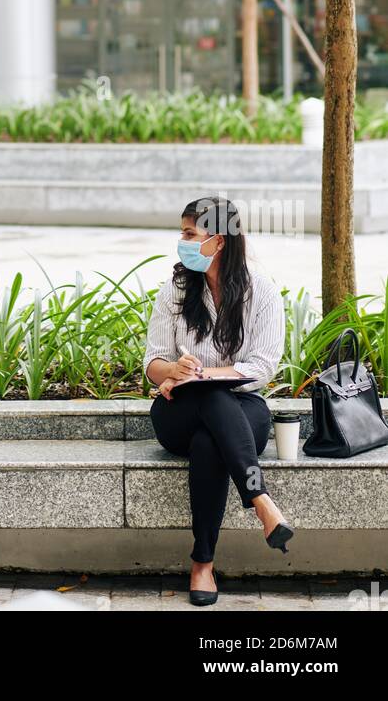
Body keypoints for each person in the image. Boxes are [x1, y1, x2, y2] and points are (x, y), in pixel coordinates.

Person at [143, 195, 291, 607]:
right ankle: (260, 500)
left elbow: (261, 367)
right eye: (183, 232)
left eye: (191, 234)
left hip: (242, 410)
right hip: (178, 413)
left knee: (212, 439)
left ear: (220, 241)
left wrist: (204, 374)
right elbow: (152, 361)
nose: (183, 241)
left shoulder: (261, 290)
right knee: (205, 399)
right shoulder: (176, 288)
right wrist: (171, 372)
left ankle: (202, 564)